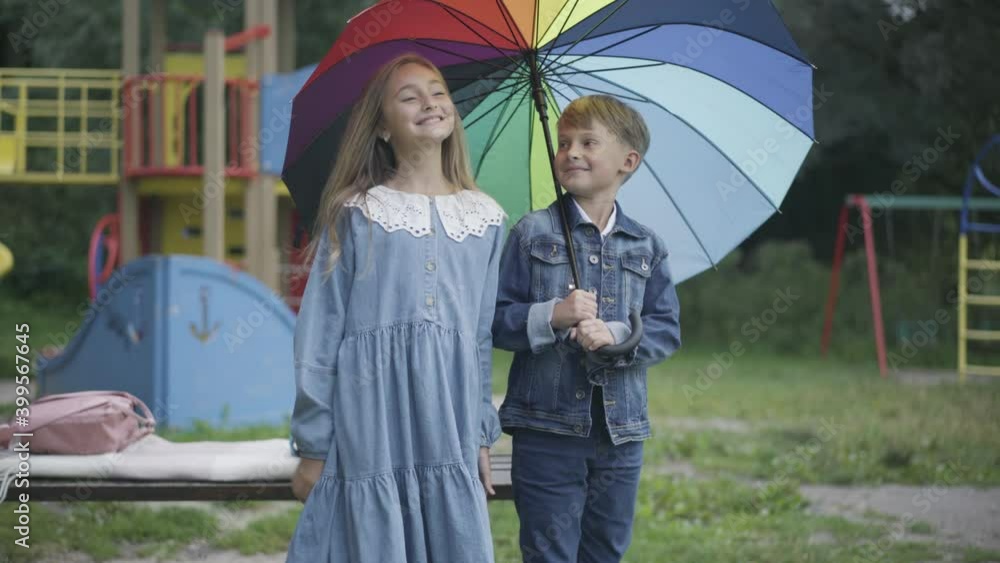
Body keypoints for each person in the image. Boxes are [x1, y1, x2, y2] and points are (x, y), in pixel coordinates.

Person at [286, 53, 506, 563]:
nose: (429, 101)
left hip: (446, 417)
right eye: (409, 96)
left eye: (438, 91)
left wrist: (478, 434)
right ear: (382, 128)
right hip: (371, 416)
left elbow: (477, 339)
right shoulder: (356, 213)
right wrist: (314, 444)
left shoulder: (486, 217)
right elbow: (319, 336)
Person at [492, 95, 681, 562]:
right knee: (548, 550)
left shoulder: (647, 245)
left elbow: (665, 328)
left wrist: (618, 336)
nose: (571, 152)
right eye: (563, 143)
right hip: (546, 430)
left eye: (588, 142)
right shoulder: (531, 234)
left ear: (627, 162)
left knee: (605, 550)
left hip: (620, 434)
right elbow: (496, 321)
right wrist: (552, 315)